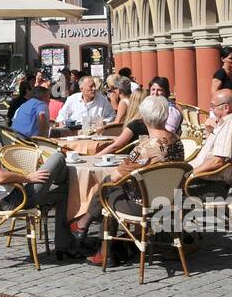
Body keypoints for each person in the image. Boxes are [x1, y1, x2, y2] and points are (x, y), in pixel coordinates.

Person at [71, 95, 186, 262]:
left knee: (107, 191)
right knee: (109, 187)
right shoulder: (177, 141)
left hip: (144, 204)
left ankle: (103, 250)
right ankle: (86, 224)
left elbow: (116, 177)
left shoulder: (145, 148)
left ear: (144, 117)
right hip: (170, 201)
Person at [0, 107, 74, 258]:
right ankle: (65, 245)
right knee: (58, 157)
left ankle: (64, 246)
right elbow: (0, 177)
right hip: (15, 200)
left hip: (4, 198)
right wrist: (28, 177)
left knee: (64, 191)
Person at [191, 90, 232, 188]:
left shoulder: (230, 125)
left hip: (208, 180)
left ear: (226, 107)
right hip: (207, 176)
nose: (211, 110)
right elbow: (212, 152)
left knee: (164, 181)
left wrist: (189, 174)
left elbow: (218, 161)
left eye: (213, 106)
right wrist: (209, 131)